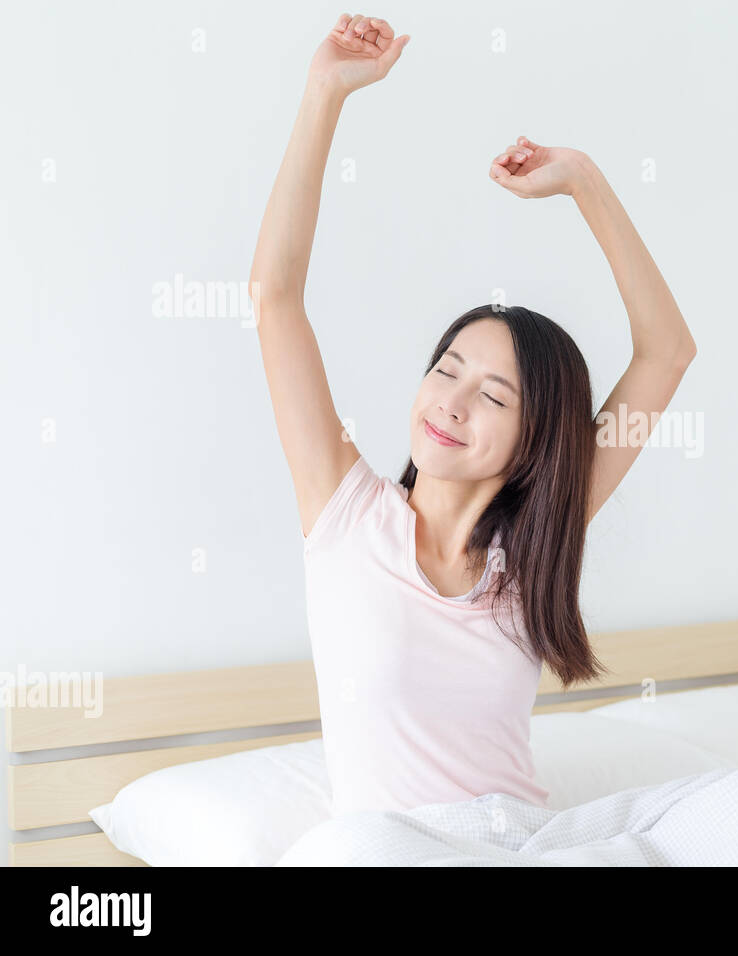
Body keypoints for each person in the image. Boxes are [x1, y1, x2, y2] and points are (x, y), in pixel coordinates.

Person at [248, 14, 697, 815]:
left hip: (521, 846)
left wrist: (584, 180)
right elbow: (275, 297)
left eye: (492, 395)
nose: (450, 403)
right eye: (446, 369)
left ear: (534, 443)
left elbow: (667, 353)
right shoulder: (345, 515)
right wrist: (324, 94)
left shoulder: (533, 550)